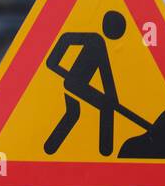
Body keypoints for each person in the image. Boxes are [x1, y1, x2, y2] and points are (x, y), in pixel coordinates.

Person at [43, 10, 128, 156]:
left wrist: (113, 98)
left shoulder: (99, 42)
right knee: (103, 107)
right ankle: (106, 152)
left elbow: (105, 74)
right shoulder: (96, 40)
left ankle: (49, 149)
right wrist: (57, 67)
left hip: (76, 85)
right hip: (75, 84)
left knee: (73, 113)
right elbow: (65, 40)